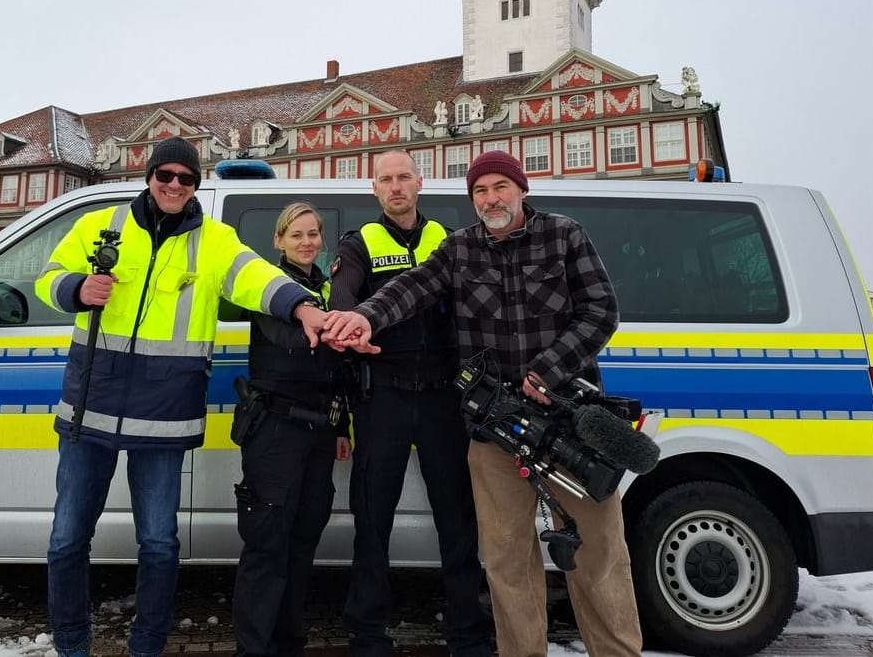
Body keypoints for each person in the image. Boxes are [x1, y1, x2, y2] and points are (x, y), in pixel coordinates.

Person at [323, 150, 641, 657]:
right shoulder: (458, 249)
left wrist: (549, 370)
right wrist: (365, 318)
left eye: (500, 187)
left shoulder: (564, 235)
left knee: (598, 554)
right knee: (507, 561)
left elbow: (602, 310)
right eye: (480, 191)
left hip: (567, 421)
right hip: (495, 428)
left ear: (521, 189)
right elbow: (411, 288)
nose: (491, 198)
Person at [34, 136, 327, 657]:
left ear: (196, 184)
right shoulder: (100, 227)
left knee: (161, 546)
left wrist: (303, 307)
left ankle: (147, 647)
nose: (173, 185)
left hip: (163, 417)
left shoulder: (214, 241)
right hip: (90, 406)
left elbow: (257, 276)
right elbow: (48, 278)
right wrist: (76, 288)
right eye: (164, 175)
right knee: (66, 542)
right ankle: (71, 647)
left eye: (185, 178)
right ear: (150, 176)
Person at [329, 150, 492, 657]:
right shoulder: (359, 244)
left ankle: (469, 635)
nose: (396, 187)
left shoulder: (452, 241)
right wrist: (348, 329)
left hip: (446, 397)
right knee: (372, 521)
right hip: (384, 397)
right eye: (386, 180)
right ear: (374, 189)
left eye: (404, 178)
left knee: (458, 519)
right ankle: (368, 635)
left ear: (420, 184)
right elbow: (342, 300)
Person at [230, 202, 353, 657]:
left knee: (303, 543)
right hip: (275, 428)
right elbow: (288, 339)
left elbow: (337, 372)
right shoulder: (269, 286)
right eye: (296, 235)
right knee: (267, 546)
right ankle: (254, 649)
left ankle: (288, 643)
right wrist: (333, 332)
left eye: (313, 234)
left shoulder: (326, 288)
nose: (306, 242)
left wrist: (342, 427)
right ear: (278, 241)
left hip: (320, 431)